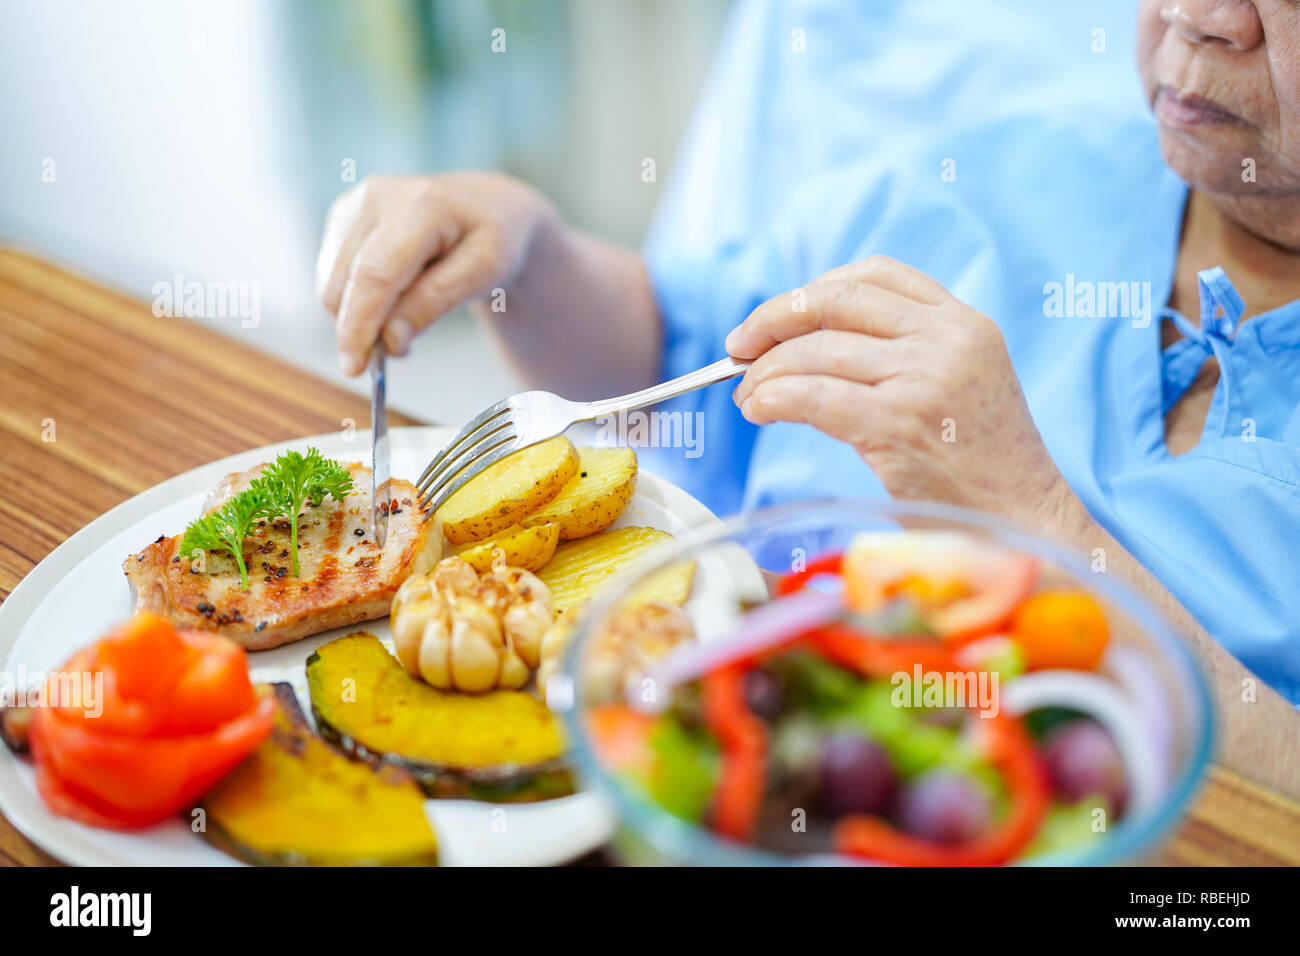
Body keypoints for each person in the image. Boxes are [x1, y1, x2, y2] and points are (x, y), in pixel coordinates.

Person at [315, 1, 1300, 795]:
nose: (1196, 16)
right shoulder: (994, 172)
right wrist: (528, 253)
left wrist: (1028, 512)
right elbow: (681, 359)